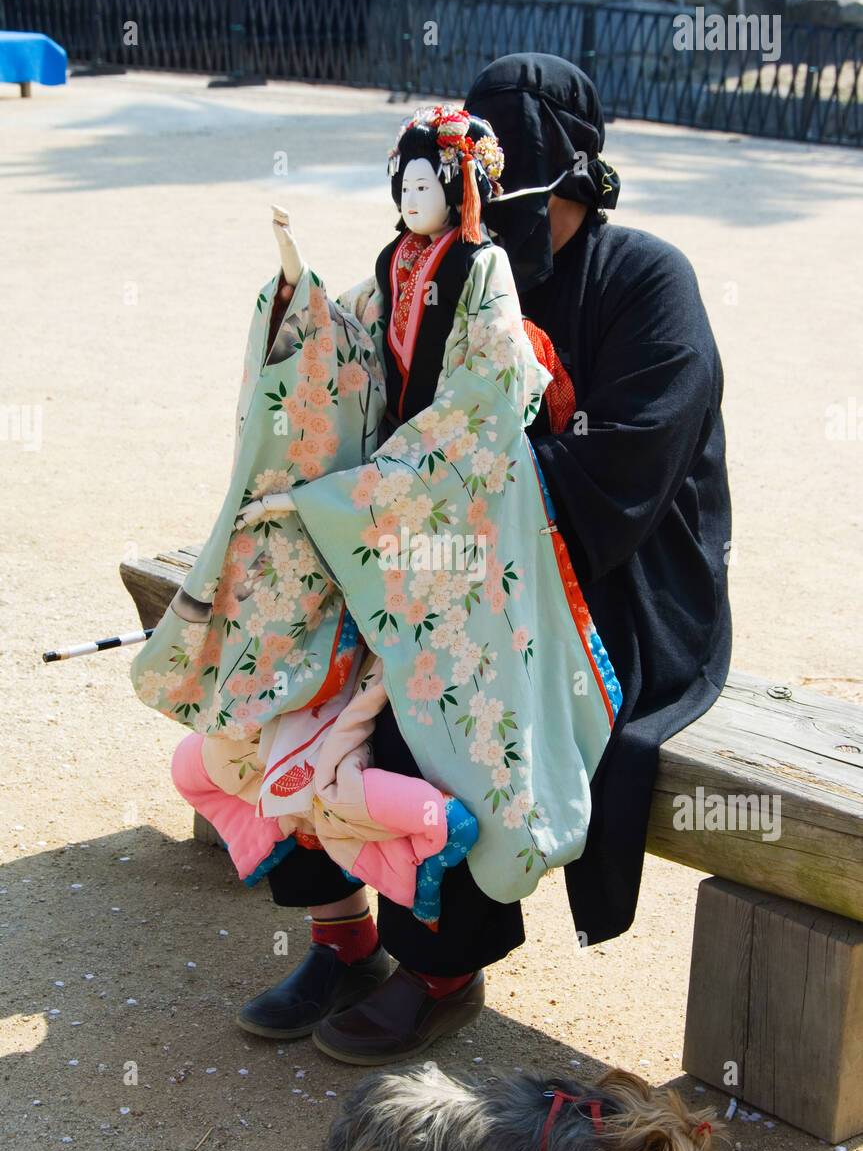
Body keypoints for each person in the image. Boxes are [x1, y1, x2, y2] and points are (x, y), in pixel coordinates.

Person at [130, 102, 622, 1064]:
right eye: (401, 179)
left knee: (445, 745)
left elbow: (484, 409)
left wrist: (368, 493)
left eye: (428, 180)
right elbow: (345, 355)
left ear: (470, 188)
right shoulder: (395, 264)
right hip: (368, 525)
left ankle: (442, 979)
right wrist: (292, 305)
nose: (410, 195)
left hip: (455, 542)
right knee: (293, 694)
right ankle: (341, 940)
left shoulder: (486, 272)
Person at [464, 52, 733, 947]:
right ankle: (341, 927)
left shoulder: (648, 278)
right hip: (472, 547)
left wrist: (454, 496)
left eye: (520, 181)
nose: (503, 210)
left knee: (459, 683)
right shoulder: (461, 273)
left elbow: (625, 470)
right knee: (324, 641)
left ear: (572, 169)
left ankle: (438, 968)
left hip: (626, 571)